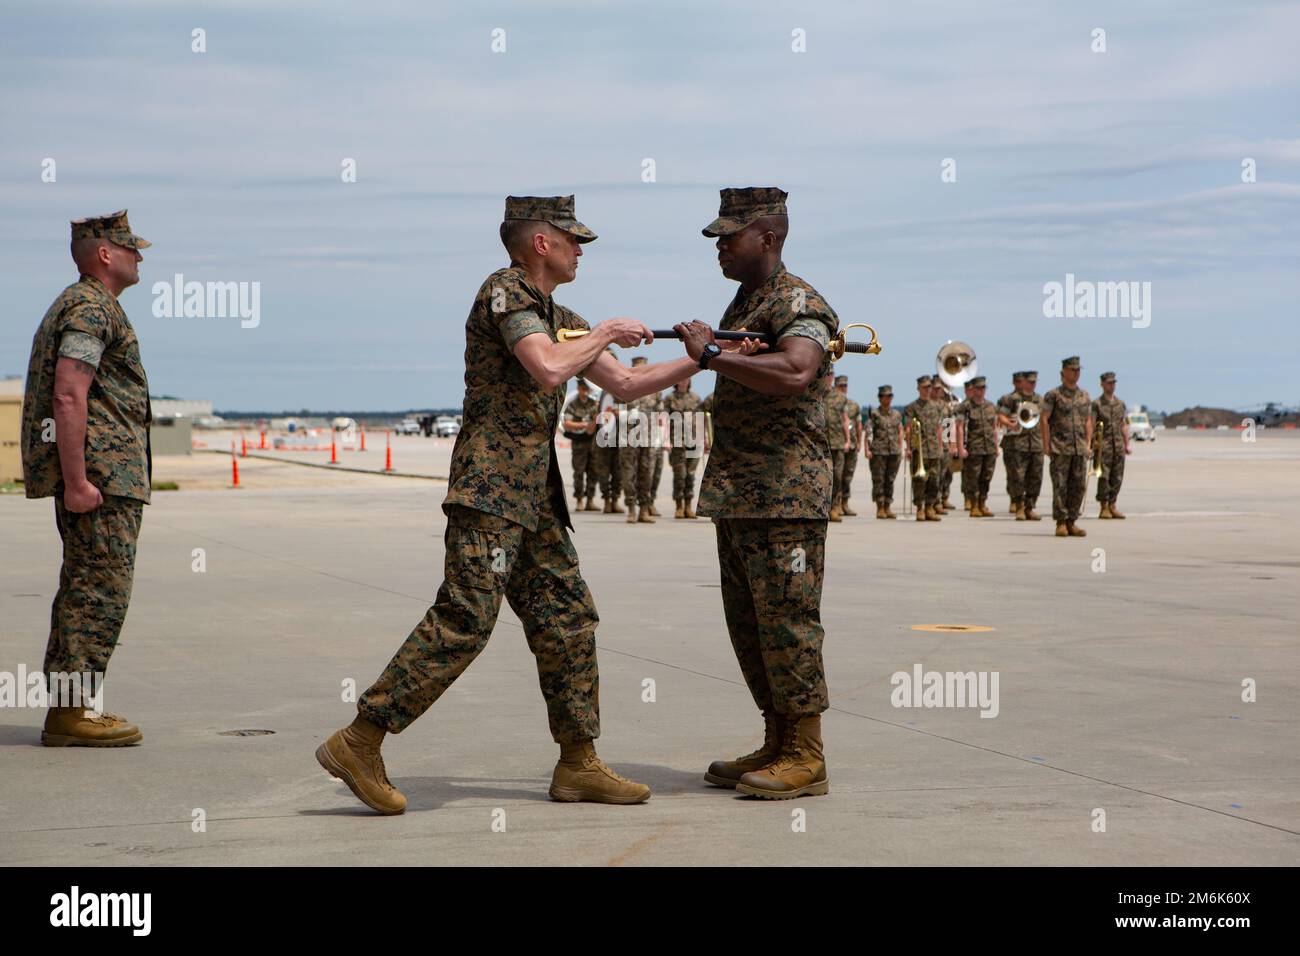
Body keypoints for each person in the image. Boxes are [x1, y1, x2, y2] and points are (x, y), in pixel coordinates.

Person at [316, 195, 701, 813]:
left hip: (535, 498)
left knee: (569, 619)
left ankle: (578, 762)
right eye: (574, 240)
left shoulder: (560, 312)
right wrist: (604, 331)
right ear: (540, 242)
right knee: (466, 618)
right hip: (491, 489)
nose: (582, 250)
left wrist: (706, 358)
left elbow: (625, 385)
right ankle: (360, 740)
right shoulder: (505, 293)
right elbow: (547, 368)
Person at [678, 186, 834, 800]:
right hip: (743, 494)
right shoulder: (748, 301)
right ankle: (777, 737)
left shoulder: (798, 300)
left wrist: (713, 355)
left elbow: (798, 370)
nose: (719, 246)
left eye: (730, 235)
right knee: (749, 625)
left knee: (789, 624)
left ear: (767, 237)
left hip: (784, 497)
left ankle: (807, 754)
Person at [21, 210, 153, 747]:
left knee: (90, 587)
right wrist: (77, 482)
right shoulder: (90, 308)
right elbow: (69, 393)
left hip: (105, 475)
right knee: (97, 592)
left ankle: (71, 706)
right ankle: (72, 712)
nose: (140, 257)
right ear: (105, 254)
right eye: (131, 248)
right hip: (101, 478)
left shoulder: (89, 306)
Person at [1042, 356, 1093, 537]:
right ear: (1063, 373)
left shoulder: (1084, 396)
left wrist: (1088, 443)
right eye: (1072, 370)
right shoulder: (1054, 395)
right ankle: (1061, 522)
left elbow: (1087, 420)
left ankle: (1072, 520)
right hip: (1060, 447)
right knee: (1060, 486)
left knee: (1078, 486)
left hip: (1079, 448)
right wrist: (1046, 444)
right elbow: (1044, 419)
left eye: (1078, 370)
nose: (1076, 373)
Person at [620, 356, 660, 524]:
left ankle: (644, 509)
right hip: (629, 438)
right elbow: (614, 410)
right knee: (628, 474)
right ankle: (631, 509)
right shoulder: (623, 387)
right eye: (638, 367)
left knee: (647, 474)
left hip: (648, 437)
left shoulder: (656, 389)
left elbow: (660, 413)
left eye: (644, 367)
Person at [662, 377, 706, 518]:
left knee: (691, 475)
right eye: (681, 379)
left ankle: (688, 506)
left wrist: (704, 439)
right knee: (680, 475)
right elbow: (664, 420)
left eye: (687, 379)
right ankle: (679, 506)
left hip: (694, 441)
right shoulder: (669, 398)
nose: (684, 381)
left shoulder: (696, 398)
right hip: (677, 442)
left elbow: (700, 420)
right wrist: (666, 440)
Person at [955, 376, 998, 517]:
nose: (981, 391)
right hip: (974, 447)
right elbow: (960, 427)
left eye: (983, 388)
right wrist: (960, 447)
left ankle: (982, 503)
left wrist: (996, 446)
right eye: (978, 388)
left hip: (989, 447)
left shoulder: (990, 406)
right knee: (973, 478)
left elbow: (994, 428)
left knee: (986, 477)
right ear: (972, 389)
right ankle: (973, 505)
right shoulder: (965, 407)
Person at [1092, 371, 1131, 519]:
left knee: (1117, 477)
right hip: (1103, 446)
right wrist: (1092, 445)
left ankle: (1112, 505)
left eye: (1113, 383)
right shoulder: (1097, 404)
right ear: (1102, 384)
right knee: (1104, 477)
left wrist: (1127, 444)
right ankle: (1103, 506)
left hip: (1118, 446)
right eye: (1109, 383)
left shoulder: (1120, 404)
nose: (1112, 385)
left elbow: (1124, 425)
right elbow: (1092, 425)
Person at [903, 376, 943, 521]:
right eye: (924, 387)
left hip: (933, 449)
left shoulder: (937, 406)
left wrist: (940, 446)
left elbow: (939, 429)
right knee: (919, 481)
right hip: (919, 450)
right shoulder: (912, 407)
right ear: (918, 388)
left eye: (929, 387)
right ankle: (920, 507)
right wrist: (908, 448)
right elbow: (908, 429)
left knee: (934, 480)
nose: (927, 390)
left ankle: (930, 507)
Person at [561, 378, 600, 511]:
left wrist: (593, 424)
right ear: (578, 389)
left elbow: (599, 419)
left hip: (592, 443)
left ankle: (590, 500)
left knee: (593, 471)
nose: (585, 391)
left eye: (587, 389)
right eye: (583, 389)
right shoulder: (573, 404)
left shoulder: (594, 404)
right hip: (579, 444)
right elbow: (567, 423)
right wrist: (584, 425)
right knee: (579, 472)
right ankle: (579, 500)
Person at [867, 385, 903, 518]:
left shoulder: (896, 414)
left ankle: (888, 506)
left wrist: (900, 447)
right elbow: (869, 432)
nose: (887, 399)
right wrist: (867, 449)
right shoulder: (874, 414)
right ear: (879, 398)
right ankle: (880, 507)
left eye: (889, 396)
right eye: (884, 396)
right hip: (878, 452)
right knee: (879, 480)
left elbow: (900, 430)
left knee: (890, 480)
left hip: (893, 452)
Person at [824, 371, 851, 521]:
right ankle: (823, 508)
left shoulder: (840, 399)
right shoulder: (817, 394)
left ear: (833, 377)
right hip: (821, 444)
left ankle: (834, 507)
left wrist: (848, 440)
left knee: (838, 477)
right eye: (826, 374)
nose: (828, 377)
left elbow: (845, 420)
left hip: (838, 443)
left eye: (830, 374)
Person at [836, 375, 862, 516]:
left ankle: (845, 503)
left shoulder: (853, 405)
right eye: (841, 386)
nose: (843, 388)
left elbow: (858, 425)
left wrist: (858, 441)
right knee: (837, 475)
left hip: (851, 445)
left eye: (845, 386)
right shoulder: (833, 403)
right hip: (837, 444)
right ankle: (836, 504)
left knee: (848, 475)